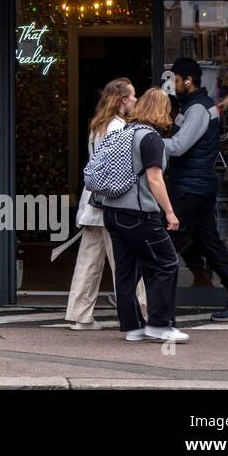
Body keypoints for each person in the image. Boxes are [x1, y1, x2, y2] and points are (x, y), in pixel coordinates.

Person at [163, 57, 228, 321]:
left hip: (190, 188)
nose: (173, 84)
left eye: (176, 80)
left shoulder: (197, 110)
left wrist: (148, 141)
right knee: (209, 243)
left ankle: (144, 297)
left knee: (165, 242)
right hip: (198, 186)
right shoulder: (195, 106)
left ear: (188, 80)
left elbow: (179, 146)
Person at [102, 87, 186, 343]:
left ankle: (133, 326)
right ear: (162, 110)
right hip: (138, 213)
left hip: (112, 209)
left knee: (126, 271)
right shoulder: (150, 138)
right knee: (167, 262)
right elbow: (154, 179)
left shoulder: (124, 132)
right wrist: (170, 212)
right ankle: (160, 324)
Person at [66, 78, 146, 329]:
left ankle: (80, 315)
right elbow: (120, 168)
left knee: (89, 261)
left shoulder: (97, 126)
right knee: (128, 261)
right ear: (123, 101)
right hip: (113, 203)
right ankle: (145, 310)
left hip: (93, 202)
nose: (135, 100)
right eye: (133, 96)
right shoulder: (118, 128)